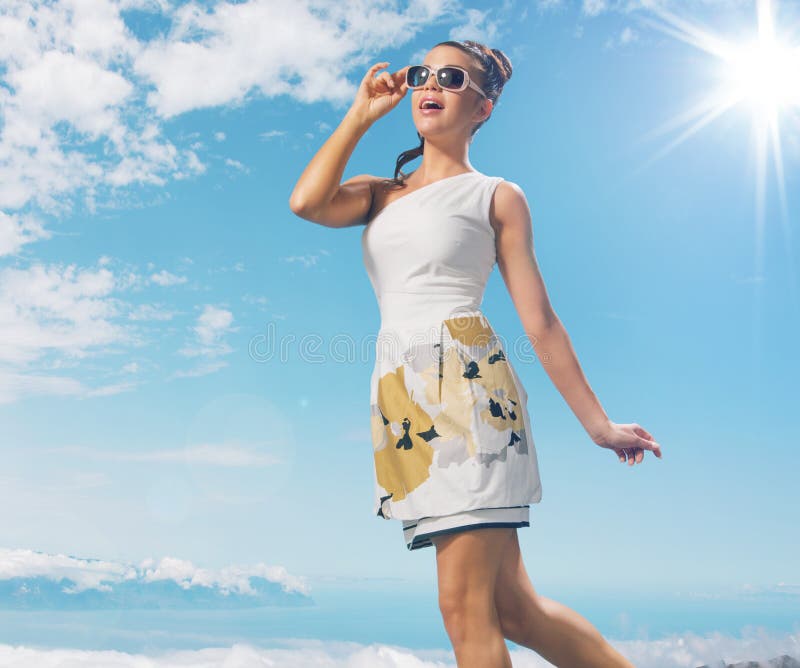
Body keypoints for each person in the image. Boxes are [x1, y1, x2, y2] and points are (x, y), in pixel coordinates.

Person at [290, 39, 661, 668]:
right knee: (517, 611)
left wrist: (597, 425)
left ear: (483, 106)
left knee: (465, 611)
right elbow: (307, 202)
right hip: (404, 401)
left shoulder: (496, 196)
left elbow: (539, 320)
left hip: (467, 396)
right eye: (423, 73)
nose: (431, 83)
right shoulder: (380, 194)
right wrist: (360, 115)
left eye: (452, 76)